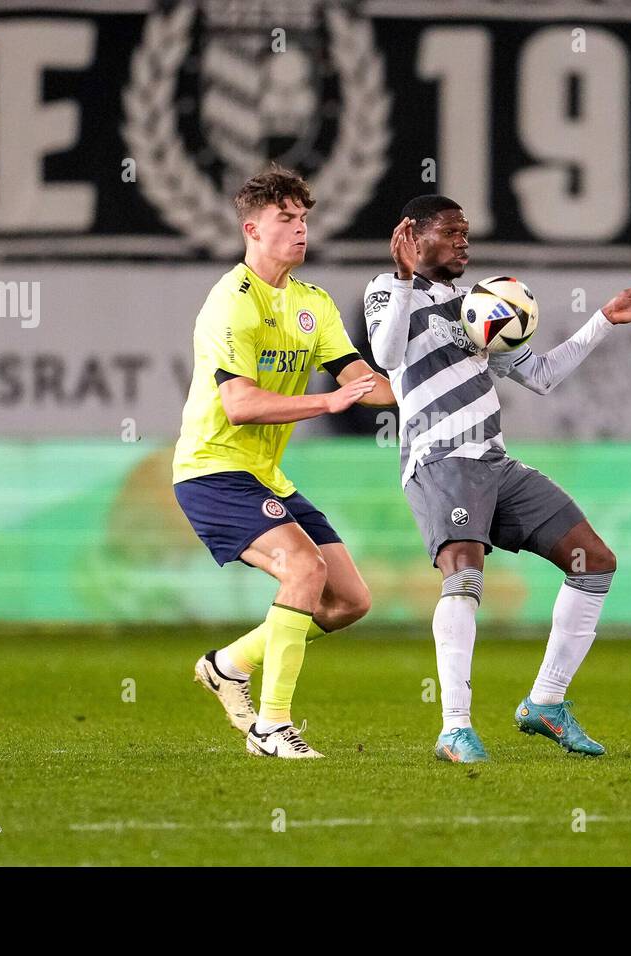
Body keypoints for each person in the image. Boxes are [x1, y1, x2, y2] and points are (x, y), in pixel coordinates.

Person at [364, 195, 631, 763]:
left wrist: (604, 320)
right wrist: (405, 275)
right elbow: (385, 355)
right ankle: (454, 728)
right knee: (464, 574)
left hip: (495, 463)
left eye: (467, 233)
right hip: (440, 460)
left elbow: (542, 376)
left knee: (594, 562)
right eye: (452, 232)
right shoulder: (387, 288)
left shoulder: (476, 305)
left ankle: (546, 703)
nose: (464, 242)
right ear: (414, 235)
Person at [174, 166, 395, 759]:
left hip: (264, 475)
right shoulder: (229, 303)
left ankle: (228, 665)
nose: (300, 230)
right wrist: (327, 400)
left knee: (350, 601)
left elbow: (366, 384)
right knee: (304, 568)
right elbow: (240, 405)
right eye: (286, 219)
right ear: (252, 228)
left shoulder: (313, 304)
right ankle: (271, 727)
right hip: (211, 468)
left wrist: (449, 373)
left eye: (304, 219)